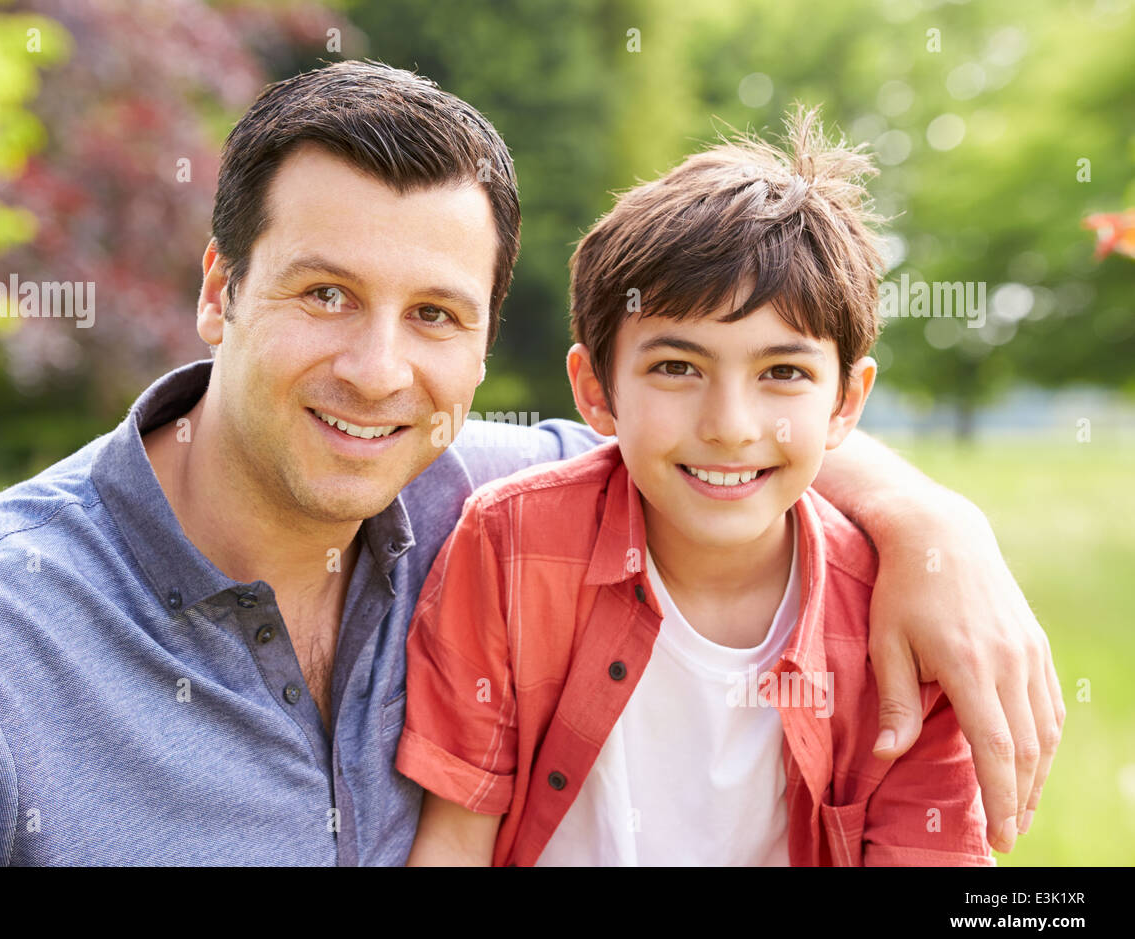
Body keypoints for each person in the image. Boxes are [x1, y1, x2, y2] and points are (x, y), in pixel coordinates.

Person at [0, 61, 1058, 866]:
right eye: (325, 293)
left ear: (484, 339)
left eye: (434, 314)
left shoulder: (485, 491)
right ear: (220, 291)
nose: (377, 372)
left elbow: (723, 452)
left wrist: (929, 525)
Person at [398, 108, 994, 865]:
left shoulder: (901, 613)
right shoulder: (511, 545)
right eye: (677, 367)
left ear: (845, 401)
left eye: (783, 373)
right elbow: (455, 841)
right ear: (596, 390)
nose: (729, 426)